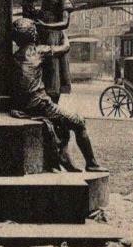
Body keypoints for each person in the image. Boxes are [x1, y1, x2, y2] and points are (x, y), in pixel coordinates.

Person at [11, 17, 104, 173]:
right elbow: (65, 48)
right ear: (32, 35)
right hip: (41, 104)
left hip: (25, 105)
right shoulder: (38, 51)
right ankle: (91, 164)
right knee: (79, 122)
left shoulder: (14, 58)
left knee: (62, 124)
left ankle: (64, 158)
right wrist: (62, 32)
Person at [22, 0, 73, 102]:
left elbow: (65, 23)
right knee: (41, 68)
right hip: (43, 35)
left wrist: (45, 25)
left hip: (53, 37)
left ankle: (52, 99)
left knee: (51, 70)